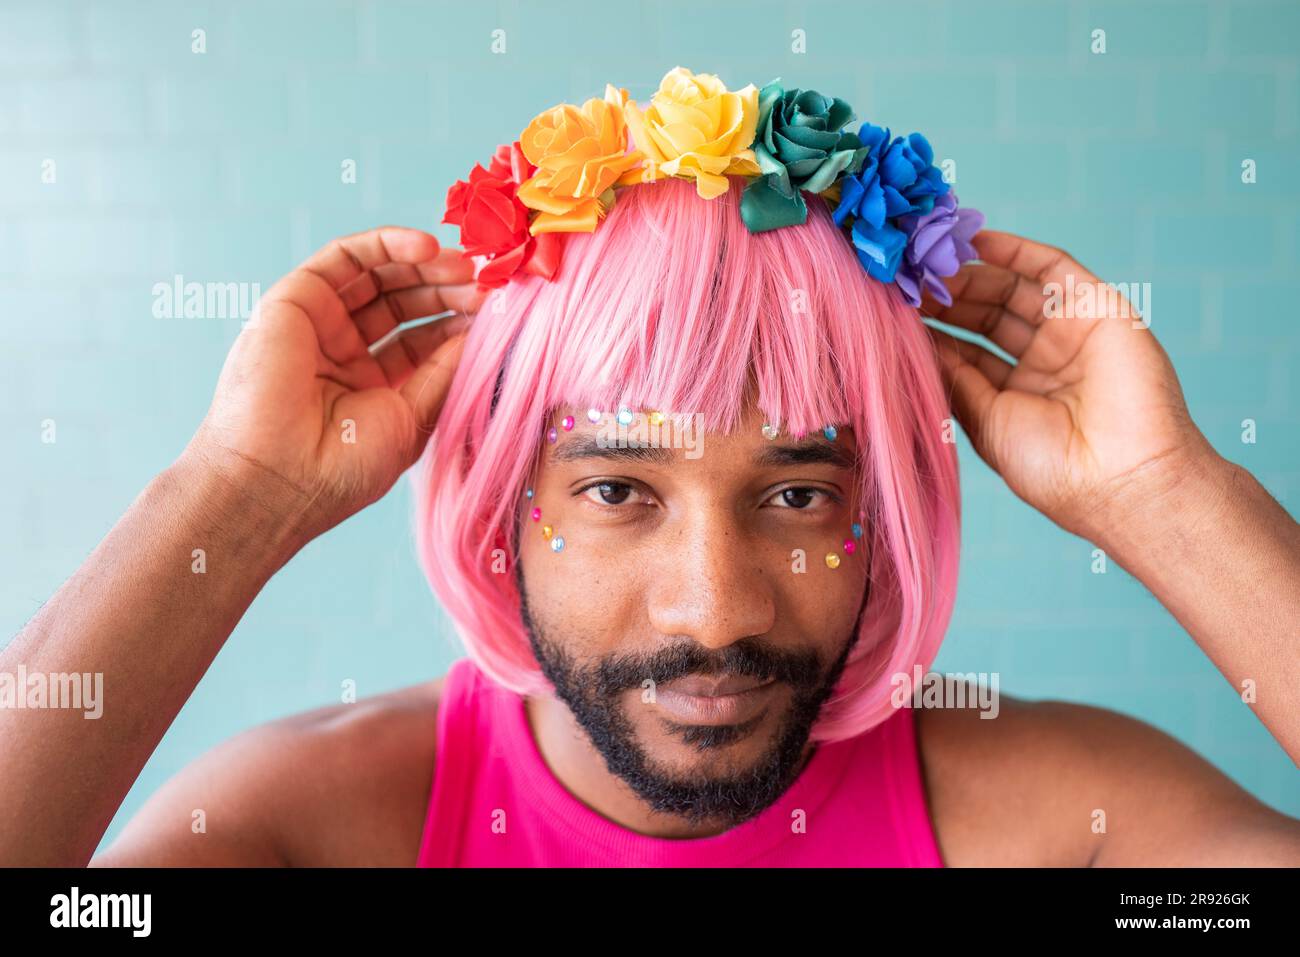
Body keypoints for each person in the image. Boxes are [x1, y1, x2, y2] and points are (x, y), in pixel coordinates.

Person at [1, 173, 1297, 867]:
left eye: (798, 494)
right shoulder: (304, 828)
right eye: (619, 490)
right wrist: (239, 494)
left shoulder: (1070, 826)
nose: (716, 606)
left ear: (882, 515)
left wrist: (1163, 497)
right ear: (506, 507)